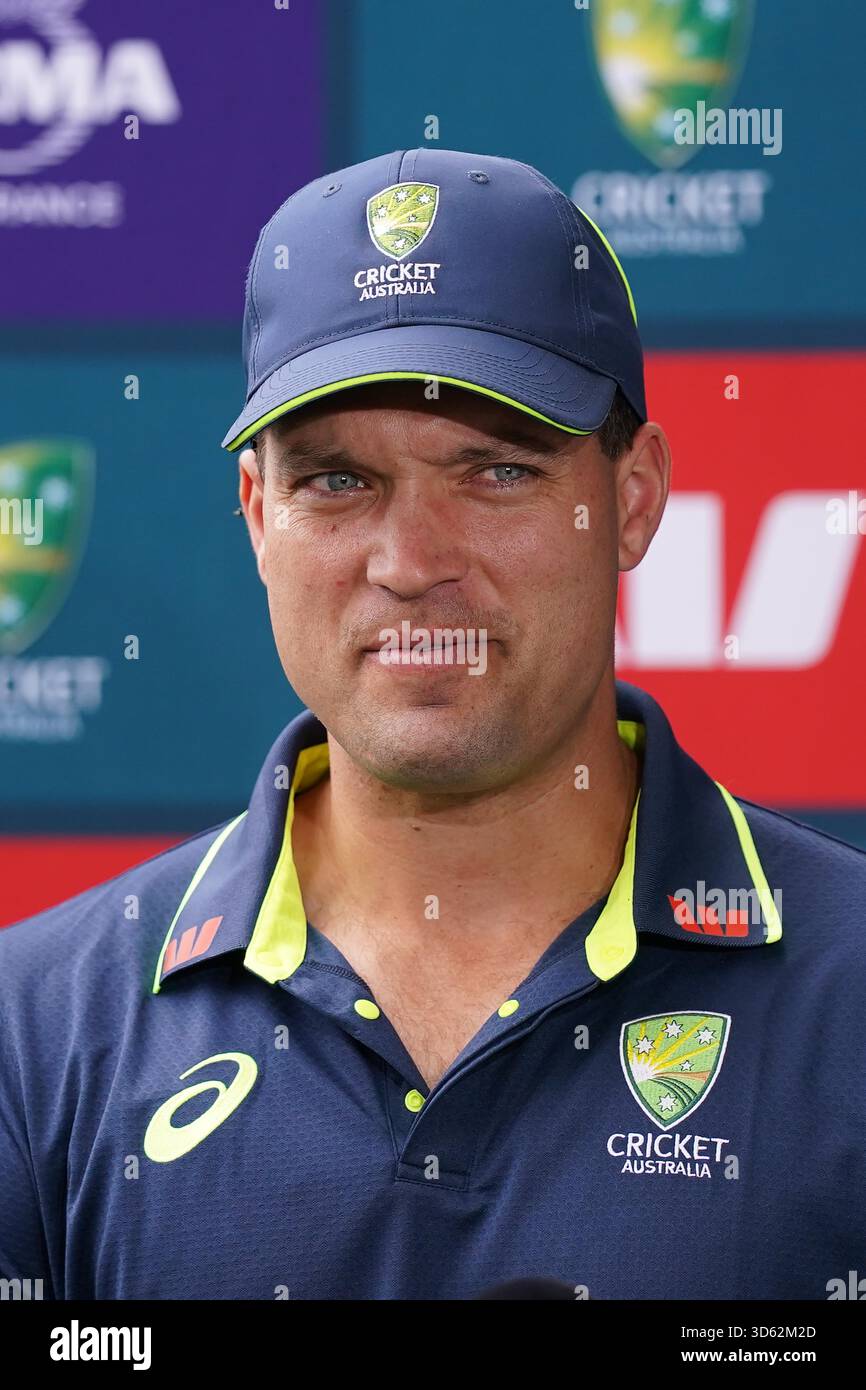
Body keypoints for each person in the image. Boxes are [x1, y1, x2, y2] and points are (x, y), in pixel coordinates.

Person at [1, 149, 863, 1301]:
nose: (410, 565)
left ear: (634, 501)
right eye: (337, 483)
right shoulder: (36, 1028)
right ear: (258, 516)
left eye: (497, 472)